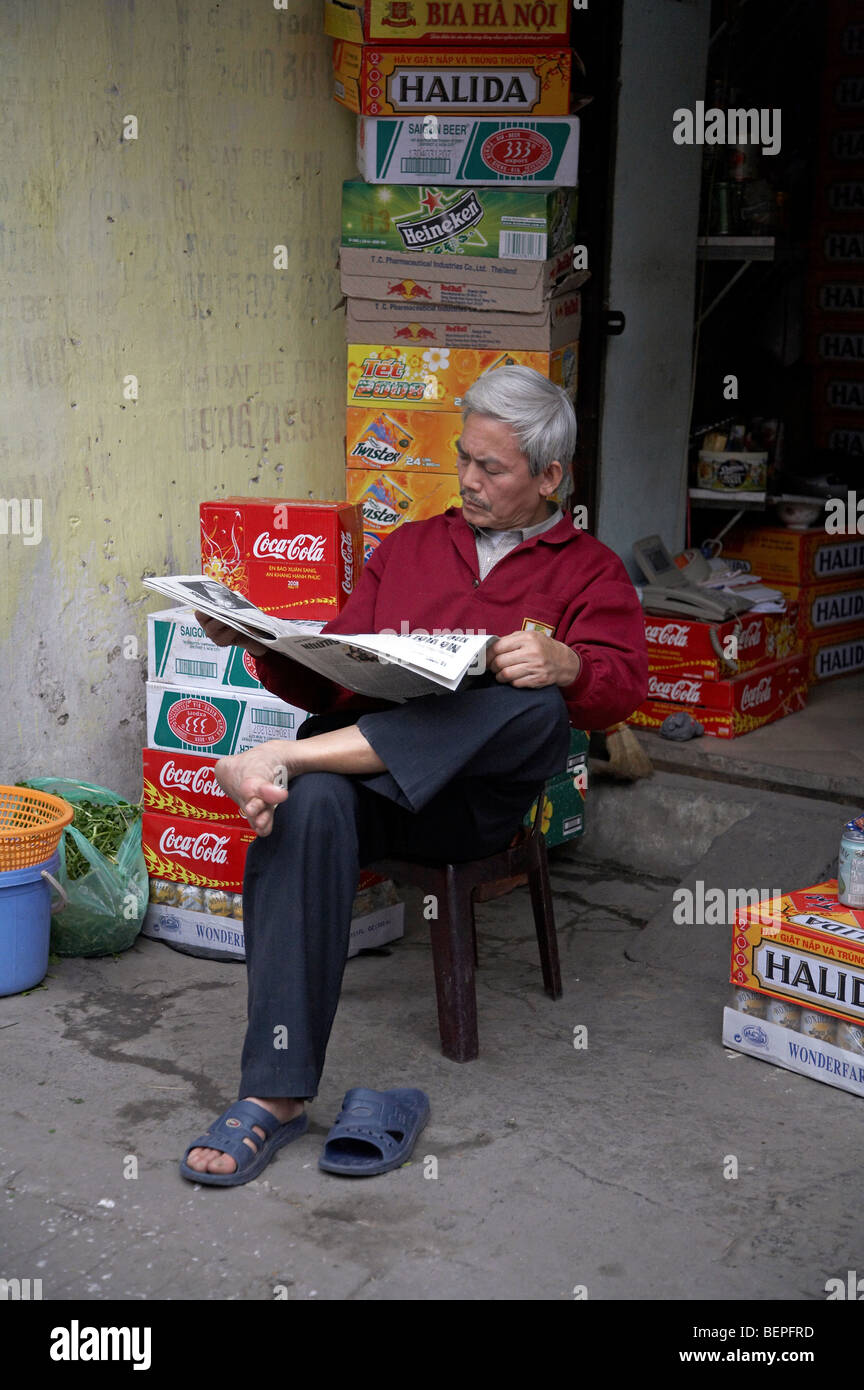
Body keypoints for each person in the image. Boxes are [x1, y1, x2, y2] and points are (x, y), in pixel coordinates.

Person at [181, 365, 648, 1183]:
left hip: (472, 809)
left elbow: (618, 694)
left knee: (532, 706)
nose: (469, 479)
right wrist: (258, 641)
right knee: (311, 806)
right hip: (368, 788)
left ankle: (285, 756)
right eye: (464, 459)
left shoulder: (591, 571)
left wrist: (570, 661)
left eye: (493, 468)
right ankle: (275, 1097)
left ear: (549, 477)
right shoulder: (411, 548)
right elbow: (335, 677)